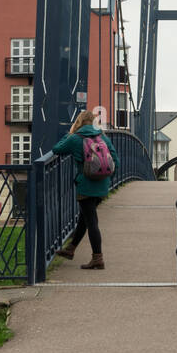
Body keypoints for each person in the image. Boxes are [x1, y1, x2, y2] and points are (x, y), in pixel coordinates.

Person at [52, 110, 119, 270]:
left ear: (79, 122)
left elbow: (56, 149)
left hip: (86, 186)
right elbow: (115, 161)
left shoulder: (75, 138)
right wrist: (106, 178)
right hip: (102, 185)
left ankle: (98, 258)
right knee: (85, 218)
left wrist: (70, 133)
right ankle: (71, 249)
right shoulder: (103, 137)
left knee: (92, 222)